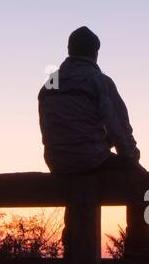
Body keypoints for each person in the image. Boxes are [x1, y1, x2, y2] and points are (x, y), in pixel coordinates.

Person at [37, 26, 141, 174]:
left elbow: (47, 128)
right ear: (95, 53)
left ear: (69, 49)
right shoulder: (99, 82)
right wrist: (132, 159)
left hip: (56, 162)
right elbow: (119, 129)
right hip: (91, 160)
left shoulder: (49, 86)